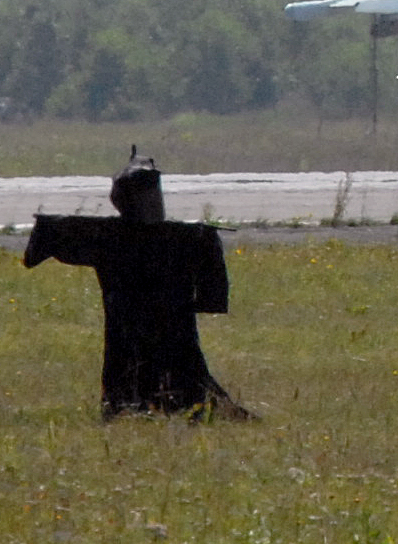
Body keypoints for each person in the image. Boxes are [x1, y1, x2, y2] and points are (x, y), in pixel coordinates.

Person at [24, 148, 253, 421]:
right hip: (141, 318)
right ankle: (145, 406)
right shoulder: (179, 238)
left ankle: (147, 406)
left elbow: (53, 237)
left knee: (165, 361)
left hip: (145, 318)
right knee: (144, 362)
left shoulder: (120, 237)